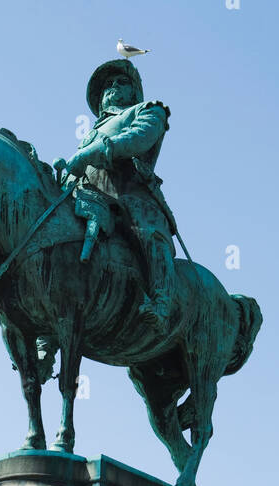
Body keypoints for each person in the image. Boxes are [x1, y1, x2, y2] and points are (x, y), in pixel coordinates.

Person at [63, 59, 178, 328]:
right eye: (107, 85)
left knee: (147, 231)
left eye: (121, 82)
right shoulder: (90, 133)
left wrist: (96, 151)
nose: (112, 87)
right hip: (89, 196)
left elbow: (140, 138)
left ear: (135, 92)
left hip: (129, 194)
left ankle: (161, 302)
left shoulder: (149, 110)